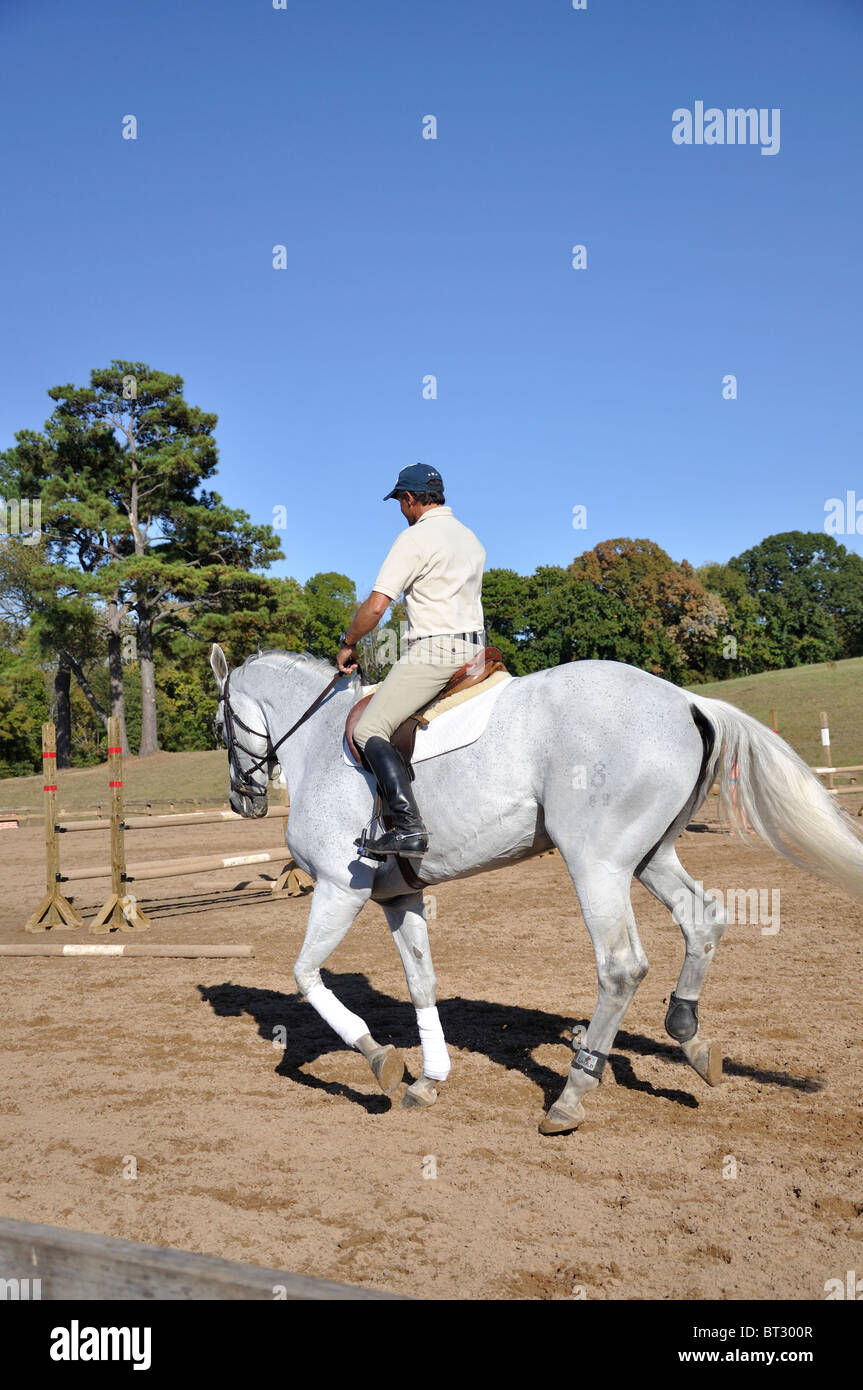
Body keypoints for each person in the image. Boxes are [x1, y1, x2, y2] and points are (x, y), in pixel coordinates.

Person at [336, 463, 486, 857]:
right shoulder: (470, 537)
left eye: (400, 503)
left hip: (437, 651)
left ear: (409, 498)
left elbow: (376, 606)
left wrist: (349, 641)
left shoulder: (415, 538)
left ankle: (407, 827)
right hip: (478, 652)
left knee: (368, 730)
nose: (401, 511)